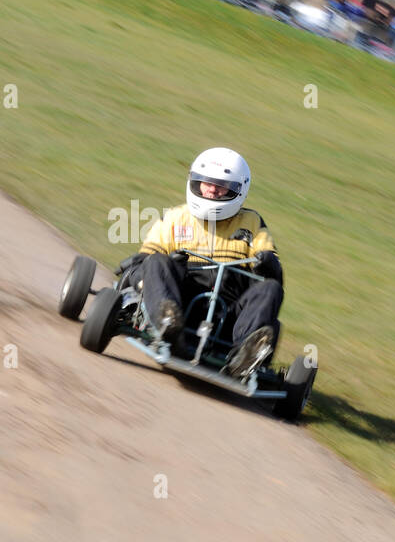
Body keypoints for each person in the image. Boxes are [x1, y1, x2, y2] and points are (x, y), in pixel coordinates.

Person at [119, 148, 283, 380]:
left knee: (271, 288)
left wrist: (267, 263)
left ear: (238, 189)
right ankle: (167, 323)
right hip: (182, 299)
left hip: (231, 310)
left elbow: (274, 273)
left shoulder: (251, 222)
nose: (212, 190)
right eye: (206, 182)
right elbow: (144, 262)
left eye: (221, 185)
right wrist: (158, 265)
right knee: (156, 261)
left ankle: (243, 356)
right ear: (194, 181)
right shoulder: (176, 217)